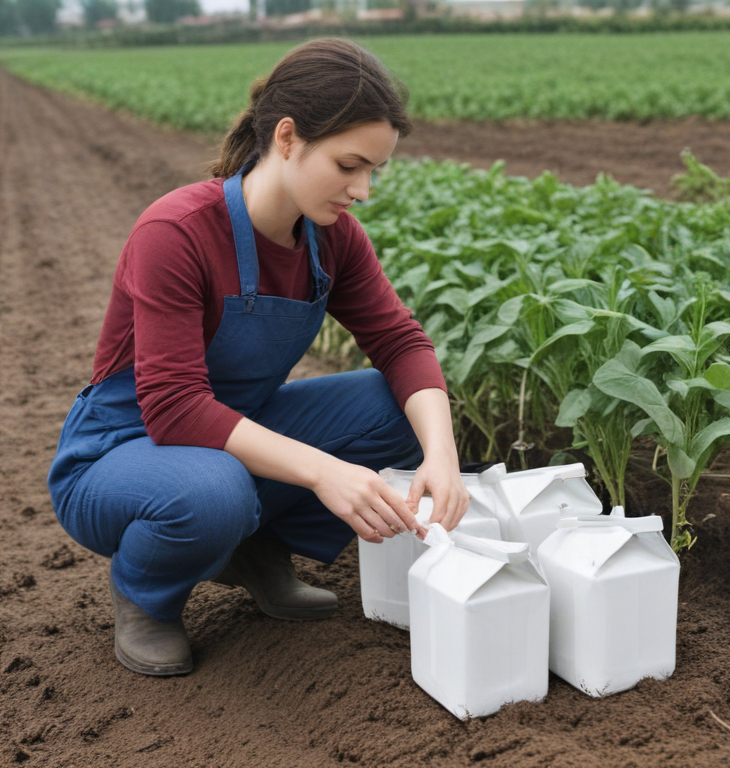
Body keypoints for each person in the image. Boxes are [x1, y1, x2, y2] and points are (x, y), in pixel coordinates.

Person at [47, 38, 470, 677]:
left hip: (232, 435)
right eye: (349, 165)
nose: (363, 190)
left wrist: (442, 455)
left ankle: (256, 551)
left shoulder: (332, 241)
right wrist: (325, 471)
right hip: (121, 454)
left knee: (401, 409)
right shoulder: (176, 233)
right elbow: (174, 409)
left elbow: (401, 342)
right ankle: (145, 596)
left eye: (374, 171)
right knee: (213, 490)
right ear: (288, 137)